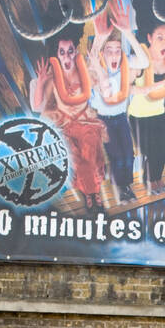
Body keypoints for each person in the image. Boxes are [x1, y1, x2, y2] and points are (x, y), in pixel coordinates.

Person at [28, 26, 108, 212]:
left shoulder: (83, 71)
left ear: (75, 52)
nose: (67, 57)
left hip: (86, 124)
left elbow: (102, 84)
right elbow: (37, 106)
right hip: (64, 127)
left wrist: (100, 38)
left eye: (70, 51)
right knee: (76, 159)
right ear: (57, 55)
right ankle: (91, 194)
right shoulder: (51, 77)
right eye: (62, 52)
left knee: (90, 156)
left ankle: (93, 193)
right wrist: (40, 81)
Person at [89, 3, 149, 204]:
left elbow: (144, 62)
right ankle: (121, 188)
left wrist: (128, 33)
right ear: (103, 54)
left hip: (121, 117)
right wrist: (99, 38)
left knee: (128, 155)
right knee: (116, 155)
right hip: (103, 119)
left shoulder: (124, 65)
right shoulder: (96, 70)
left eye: (117, 50)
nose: (114, 54)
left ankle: (127, 186)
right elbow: (90, 63)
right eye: (109, 50)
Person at [129, 18, 165, 195]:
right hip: (139, 115)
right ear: (149, 38)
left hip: (158, 113)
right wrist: (144, 89)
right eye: (160, 37)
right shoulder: (140, 61)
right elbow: (126, 88)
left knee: (162, 153)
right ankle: (150, 178)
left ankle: (156, 178)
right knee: (150, 152)